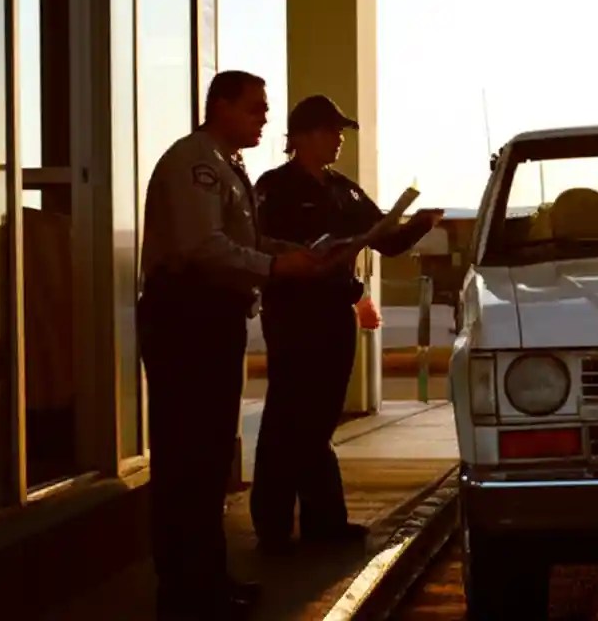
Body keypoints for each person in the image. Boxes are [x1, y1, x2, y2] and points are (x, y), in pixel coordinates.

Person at [137, 70, 325, 619]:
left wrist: (291, 252)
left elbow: (240, 239)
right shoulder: (195, 163)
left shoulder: (226, 165)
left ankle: (208, 580)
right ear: (220, 105)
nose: (265, 117)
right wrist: (273, 265)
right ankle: (185, 592)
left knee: (210, 456)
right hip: (186, 319)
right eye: (254, 107)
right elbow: (203, 248)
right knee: (187, 459)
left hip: (213, 320)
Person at [249, 94, 443, 552]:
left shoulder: (345, 190)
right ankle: (274, 525)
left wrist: (417, 224)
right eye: (329, 131)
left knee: (318, 421)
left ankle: (323, 522)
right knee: (286, 419)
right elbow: (260, 243)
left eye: (340, 132)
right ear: (299, 137)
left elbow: (386, 240)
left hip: (334, 316)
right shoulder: (274, 187)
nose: (338, 139)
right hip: (293, 315)